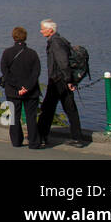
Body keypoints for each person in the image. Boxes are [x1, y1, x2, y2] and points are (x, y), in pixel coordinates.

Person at [35, 19, 84, 147]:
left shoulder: (55, 43)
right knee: (70, 109)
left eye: (42, 29)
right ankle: (77, 138)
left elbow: (63, 62)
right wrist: (69, 80)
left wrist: (68, 80)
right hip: (63, 80)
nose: (40, 31)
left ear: (50, 30)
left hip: (57, 80)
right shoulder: (61, 40)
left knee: (47, 108)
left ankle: (40, 136)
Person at [0, 26, 41, 149]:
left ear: (14, 37)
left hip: (12, 90)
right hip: (31, 91)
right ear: (25, 37)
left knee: (13, 116)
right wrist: (26, 87)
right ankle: (34, 142)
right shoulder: (32, 53)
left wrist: (17, 86)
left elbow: (5, 72)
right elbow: (36, 72)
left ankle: (16, 141)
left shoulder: (7, 53)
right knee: (31, 117)